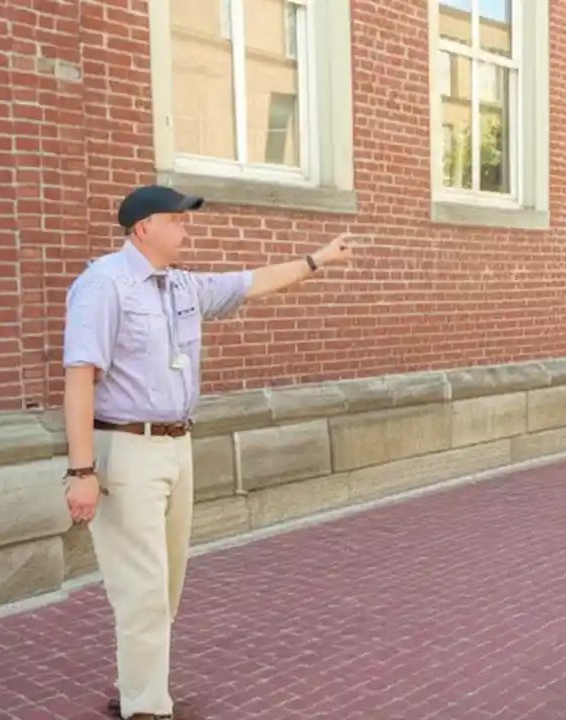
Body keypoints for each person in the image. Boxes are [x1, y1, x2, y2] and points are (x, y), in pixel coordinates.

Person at [61, 185, 357, 720]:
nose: (186, 228)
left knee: (166, 584)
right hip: (125, 449)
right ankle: (146, 709)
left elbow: (252, 283)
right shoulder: (104, 285)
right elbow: (80, 377)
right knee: (143, 587)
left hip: (177, 447)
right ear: (142, 227)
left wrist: (318, 260)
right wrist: (81, 470)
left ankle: (140, 688)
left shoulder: (182, 287)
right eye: (176, 219)